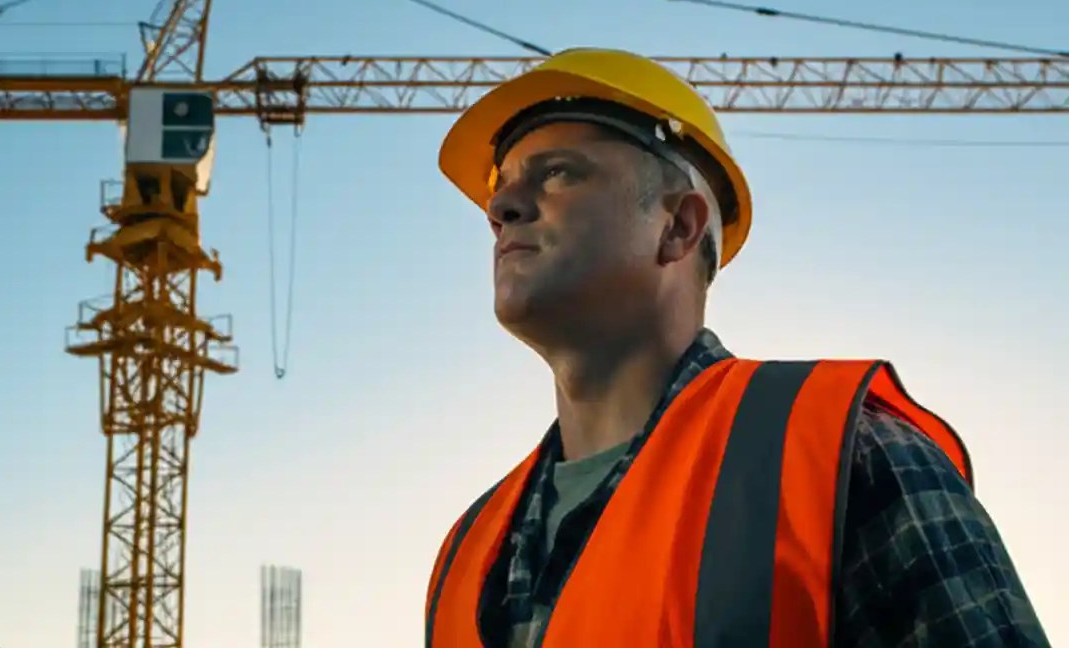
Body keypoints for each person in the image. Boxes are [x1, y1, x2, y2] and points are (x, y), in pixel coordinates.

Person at [423, 48, 1049, 647]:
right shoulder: (468, 551)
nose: (501, 207)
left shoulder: (841, 457)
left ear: (679, 226)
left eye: (559, 173)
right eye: (501, 187)